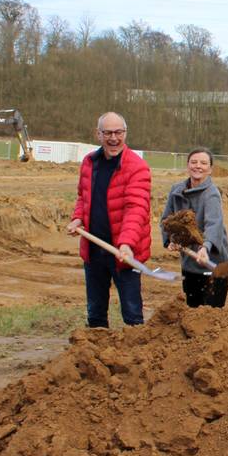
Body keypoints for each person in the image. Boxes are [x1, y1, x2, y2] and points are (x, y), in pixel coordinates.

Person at [66, 112, 151, 328]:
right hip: (94, 248)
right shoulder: (89, 162)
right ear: (98, 134)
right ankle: (96, 344)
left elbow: (136, 209)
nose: (114, 138)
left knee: (132, 314)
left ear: (125, 133)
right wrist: (78, 218)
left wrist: (127, 243)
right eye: (108, 133)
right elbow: (83, 197)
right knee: (95, 312)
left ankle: (136, 347)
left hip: (125, 252)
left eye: (118, 132)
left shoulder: (137, 166)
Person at [161, 147, 228, 308]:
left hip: (215, 263)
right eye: (194, 162)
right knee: (192, 310)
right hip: (189, 263)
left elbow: (214, 224)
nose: (198, 166)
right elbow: (166, 219)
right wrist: (170, 240)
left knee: (210, 314)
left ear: (210, 169)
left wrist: (205, 247)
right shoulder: (176, 190)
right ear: (188, 165)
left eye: (203, 163)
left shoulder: (211, 193)